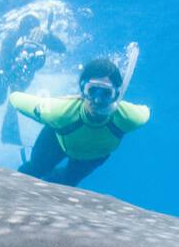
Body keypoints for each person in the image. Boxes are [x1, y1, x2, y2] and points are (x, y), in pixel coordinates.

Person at [9, 57, 149, 187]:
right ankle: (27, 157)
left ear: (116, 95)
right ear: (82, 90)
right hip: (57, 140)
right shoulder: (58, 112)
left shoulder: (130, 117)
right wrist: (50, 104)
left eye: (106, 94)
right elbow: (15, 98)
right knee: (33, 171)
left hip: (91, 155)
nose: (97, 100)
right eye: (92, 91)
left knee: (66, 183)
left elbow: (145, 112)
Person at [0, 13, 66, 145]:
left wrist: (47, 35)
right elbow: (4, 64)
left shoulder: (41, 37)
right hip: (0, 71)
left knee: (14, 99)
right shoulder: (10, 39)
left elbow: (62, 48)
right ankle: (9, 131)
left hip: (24, 73)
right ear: (20, 32)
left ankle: (9, 134)